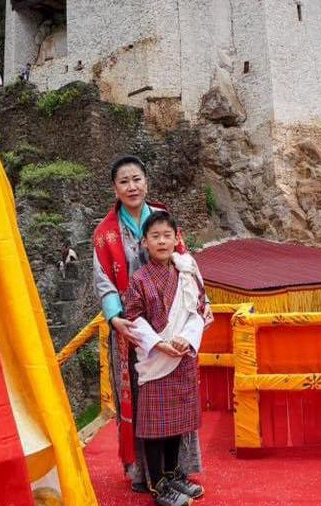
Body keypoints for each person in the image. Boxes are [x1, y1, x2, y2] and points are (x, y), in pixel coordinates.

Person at [92, 155, 212, 494]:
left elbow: (186, 265)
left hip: (174, 323)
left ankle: (176, 471)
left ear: (146, 182)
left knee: (174, 397)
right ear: (114, 188)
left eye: (137, 179)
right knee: (144, 399)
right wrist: (117, 319)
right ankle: (146, 474)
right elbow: (104, 281)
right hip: (133, 326)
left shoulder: (162, 220)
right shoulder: (105, 234)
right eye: (124, 181)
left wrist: (196, 308)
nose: (132, 187)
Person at [122, 212, 207, 506]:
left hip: (182, 356)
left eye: (166, 235)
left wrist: (185, 339)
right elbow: (133, 318)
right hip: (156, 359)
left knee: (177, 423)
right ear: (144, 243)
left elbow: (199, 310)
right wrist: (159, 344)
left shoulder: (187, 272)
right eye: (155, 236)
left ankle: (174, 476)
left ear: (176, 238)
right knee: (156, 426)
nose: (161, 241)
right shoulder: (139, 279)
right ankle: (158, 485)